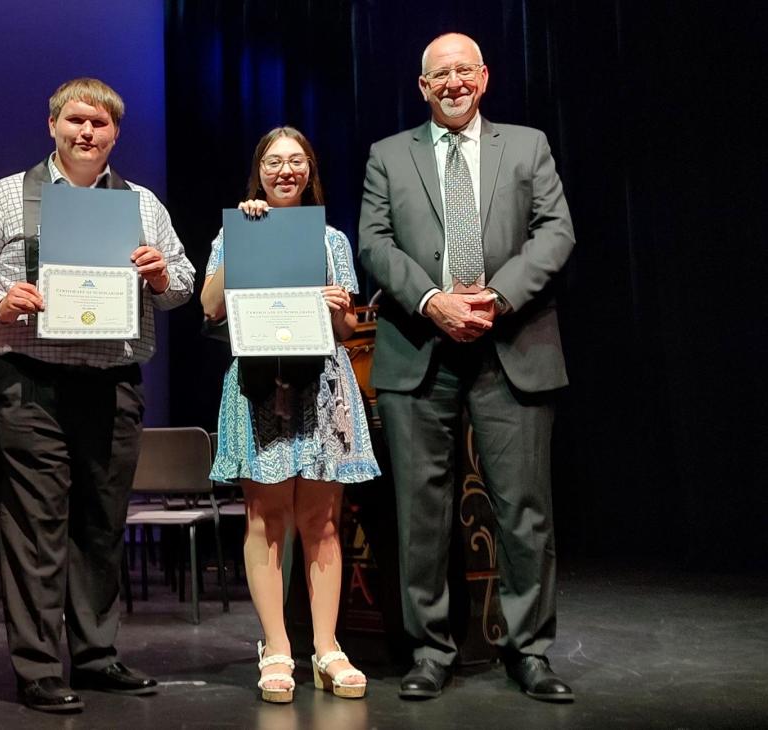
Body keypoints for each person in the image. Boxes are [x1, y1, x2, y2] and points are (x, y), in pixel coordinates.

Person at [0, 78, 195, 713]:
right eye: (76, 121)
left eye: (100, 124)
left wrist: (163, 276)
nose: (87, 132)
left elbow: (184, 284)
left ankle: (95, 654)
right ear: (53, 125)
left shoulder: (141, 204)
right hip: (30, 378)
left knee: (101, 522)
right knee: (34, 527)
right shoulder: (9, 195)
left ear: (116, 133)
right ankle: (37, 666)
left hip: (112, 380)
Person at [356, 32, 576, 702]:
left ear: (483, 78)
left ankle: (530, 651)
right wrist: (432, 301)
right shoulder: (388, 156)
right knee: (421, 511)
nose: (451, 84)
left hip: (512, 343)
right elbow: (373, 241)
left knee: (524, 510)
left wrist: (498, 295)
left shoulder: (528, 144)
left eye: (462, 72)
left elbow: (556, 231)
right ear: (422, 87)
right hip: (419, 345)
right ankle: (429, 649)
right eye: (438, 75)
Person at [200, 126, 379, 703]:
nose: (285, 170)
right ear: (259, 170)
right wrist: (244, 238)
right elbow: (210, 309)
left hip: (323, 387)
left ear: (309, 171)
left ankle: (326, 647)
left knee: (323, 522)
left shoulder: (331, 240)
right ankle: (276, 647)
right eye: (274, 161)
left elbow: (348, 327)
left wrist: (338, 303)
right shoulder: (235, 232)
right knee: (265, 519)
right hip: (259, 387)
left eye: (296, 161)